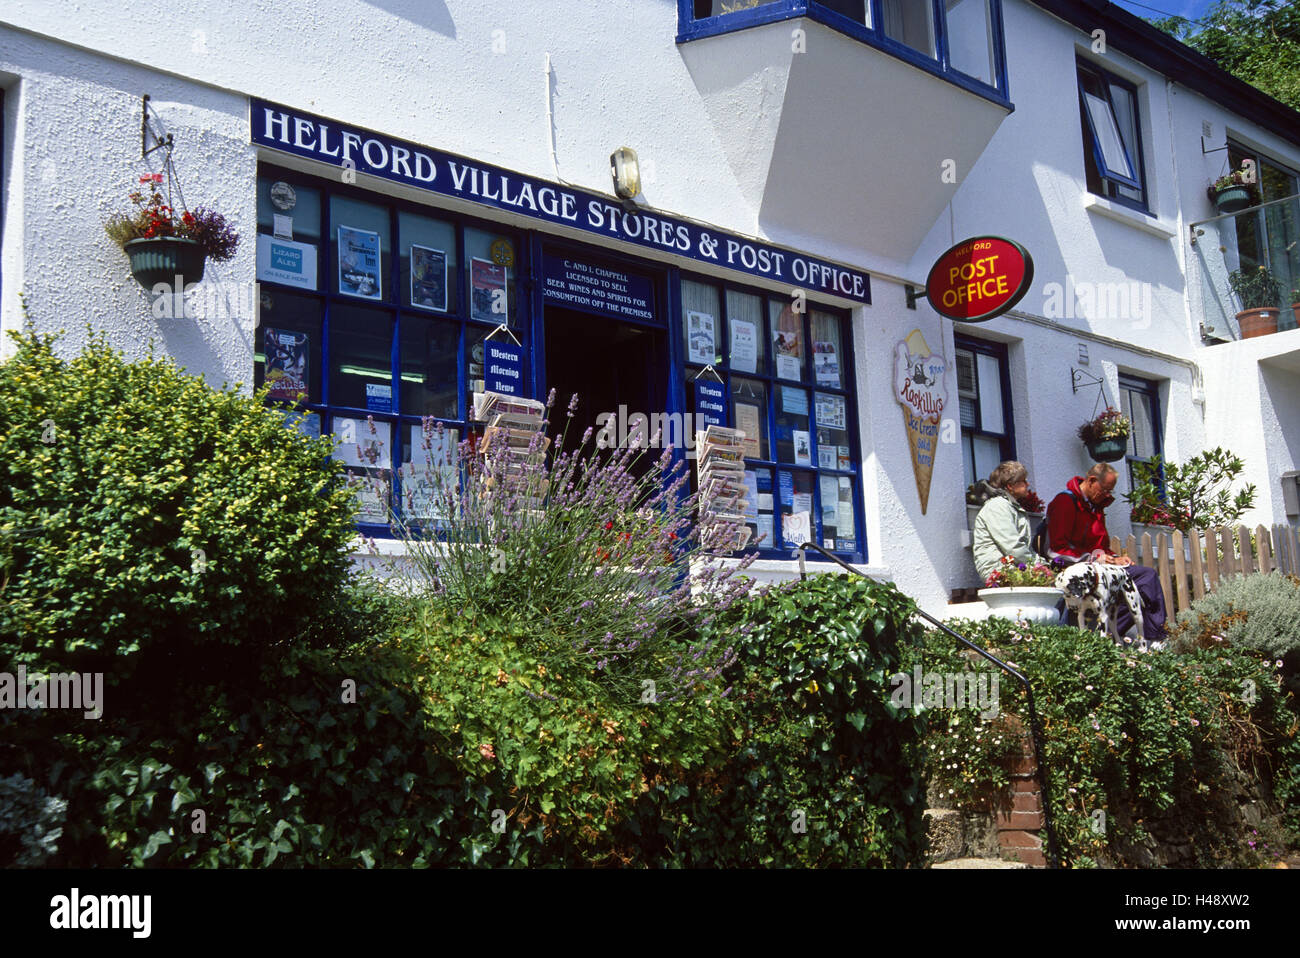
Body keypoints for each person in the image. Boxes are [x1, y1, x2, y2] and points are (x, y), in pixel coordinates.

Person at [1046, 462, 1167, 640]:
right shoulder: (1065, 502)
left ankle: (1146, 638)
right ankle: (1106, 635)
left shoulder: (1097, 507)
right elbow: (1057, 549)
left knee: (1145, 579)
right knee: (1140, 579)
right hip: (1076, 570)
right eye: (1104, 489)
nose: (1107, 495)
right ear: (1092, 480)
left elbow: (1101, 547)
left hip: (1100, 569)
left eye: (1110, 491)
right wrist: (1095, 559)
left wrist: (1116, 558)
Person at [971, 461, 1038, 582]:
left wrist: (1044, 565)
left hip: (1013, 567)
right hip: (999, 570)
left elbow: (1023, 547)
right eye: (1023, 481)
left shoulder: (1010, 506)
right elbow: (1012, 546)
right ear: (1010, 486)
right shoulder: (998, 506)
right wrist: (1038, 567)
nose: (1027, 484)